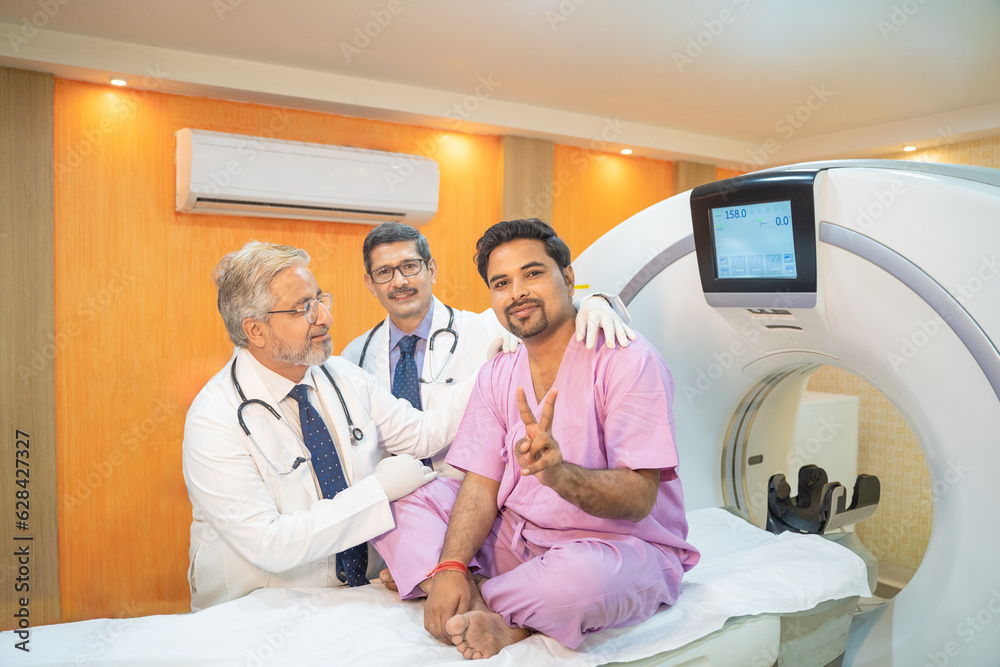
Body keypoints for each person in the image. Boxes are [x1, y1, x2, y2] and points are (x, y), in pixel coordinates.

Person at [371, 219, 700, 659]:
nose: (517, 292)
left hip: (613, 546)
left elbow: (640, 498)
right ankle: (485, 594)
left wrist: (561, 476)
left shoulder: (627, 360)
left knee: (578, 584)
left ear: (567, 277)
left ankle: (481, 601)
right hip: (515, 540)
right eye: (501, 282)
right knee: (401, 502)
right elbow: (481, 483)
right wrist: (450, 565)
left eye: (533, 273)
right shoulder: (499, 371)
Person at [182, 241, 471, 611]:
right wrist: (378, 492)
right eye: (304, 308)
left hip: (358, 598)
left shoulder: (343, 376)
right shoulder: (215, 418)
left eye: (319, 299)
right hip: (256, 612)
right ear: (255, 331)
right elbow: (269, 543)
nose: (324, 317)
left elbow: (424, 435)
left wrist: (497, 366)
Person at [342, 222, 635, 477]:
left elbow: (545, 316)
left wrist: (593, 302)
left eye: (409, 266)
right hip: (393, 511)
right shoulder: (354, 358)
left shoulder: (486, 328)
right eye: (384, 272)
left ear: (431, 269)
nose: (399, 281)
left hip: (470, 494)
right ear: (370, 283)